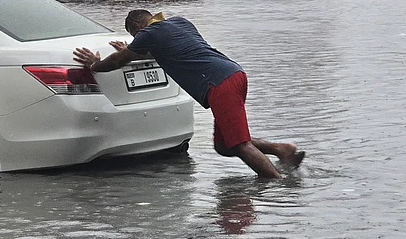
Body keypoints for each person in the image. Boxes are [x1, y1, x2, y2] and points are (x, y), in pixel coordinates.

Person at [72, 10, 304, 178]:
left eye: (134, 36)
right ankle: (282, 150)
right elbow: (169, 51)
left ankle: (276, 184)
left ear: (136, 28)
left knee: (240, 144)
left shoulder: (149, 33)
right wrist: (136, 51)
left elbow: (117, 61)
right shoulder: (180, 22)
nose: (136, 41)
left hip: (219, 83)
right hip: (234, 74)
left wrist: (95, 64)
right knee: (224, 146)